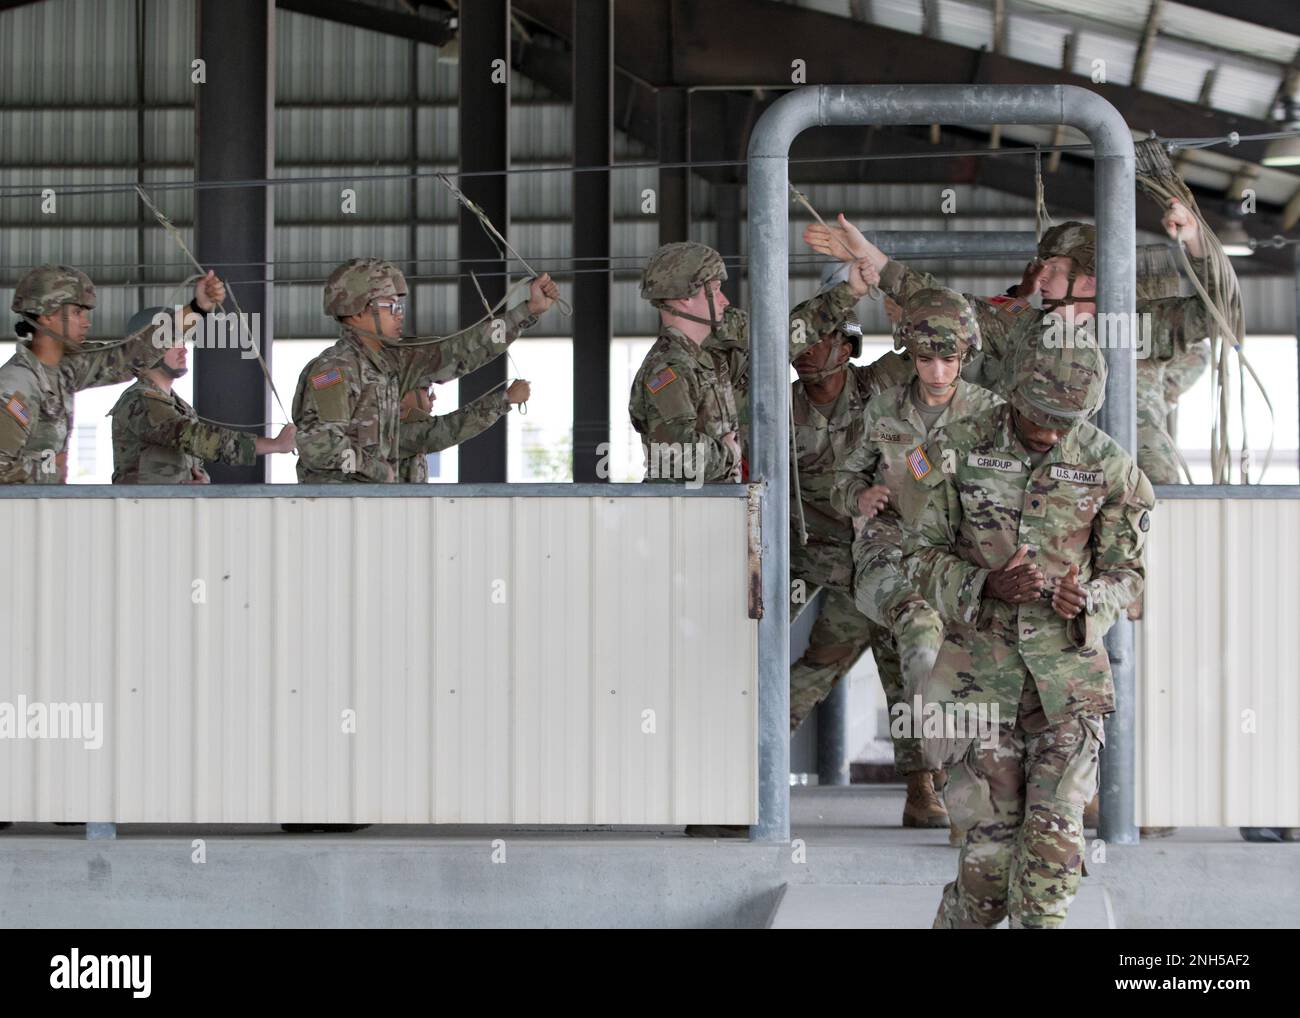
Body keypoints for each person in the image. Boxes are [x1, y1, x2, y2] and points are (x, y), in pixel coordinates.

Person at [902, 338, 1155, 928]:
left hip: (1067, 686)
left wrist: (1090, 599)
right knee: (987, 873)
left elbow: (1129, 574)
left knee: (1053, 857)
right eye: (1040, 419)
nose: (1049, 433)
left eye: (1066, 422)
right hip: (980, 684)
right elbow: (914, 554)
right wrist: (984, 585)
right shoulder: (954, 447)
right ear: (1015, 394)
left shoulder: (1109, 465)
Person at [829, 288, 1002, 831]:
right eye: (926, 357)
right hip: (892, 552)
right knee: (921, 640)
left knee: (962, 662)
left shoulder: (989, 413)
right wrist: (858, 496)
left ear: (965, 354)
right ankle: (936, 782)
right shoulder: (881, 409)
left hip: (961, 557)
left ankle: (966, 786)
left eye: (948, 358)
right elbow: (844, 476)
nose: (936, 369)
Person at [629, 240, 881, 485]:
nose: (724, 300)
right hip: (689, 514)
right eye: (715, 290)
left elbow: (780, 341)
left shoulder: (708, 357)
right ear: (685, 296)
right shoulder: (670, 369)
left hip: (712, 508)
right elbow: (674, 454)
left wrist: (850, 290)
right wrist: (730, 453)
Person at [293, 258, 559, 484]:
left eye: (400, 307)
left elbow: (462, 350)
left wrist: (528, 310)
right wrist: (379, 471)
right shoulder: (335, 369)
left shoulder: (390, 363)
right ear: (356, 310)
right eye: (391, 307)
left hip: (369, 508)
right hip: (336, 513)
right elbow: (319, 445)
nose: (399, 315)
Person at [0, 265, 226, 484]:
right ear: (46, 316)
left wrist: (197, 308)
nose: (86, 322)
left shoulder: (65, 368)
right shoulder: (17, 385)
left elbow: (131, 354)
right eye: (77, 312)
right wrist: (50, 470)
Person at [110, 305, 296, 483]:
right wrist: (275, 445)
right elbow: (196, 438)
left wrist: (200, 480)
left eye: (182, 340)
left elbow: (190, 460)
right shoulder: (140, 401)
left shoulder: (179, 406)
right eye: (171, 342)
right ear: (145, 350)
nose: (183, 348)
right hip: (142, 511)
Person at [396, 379, 531, 483]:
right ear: (402, 395)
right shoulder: (393, 431)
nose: (433, 397)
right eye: (428, 390)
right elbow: (449, 429)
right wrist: (505, 399)